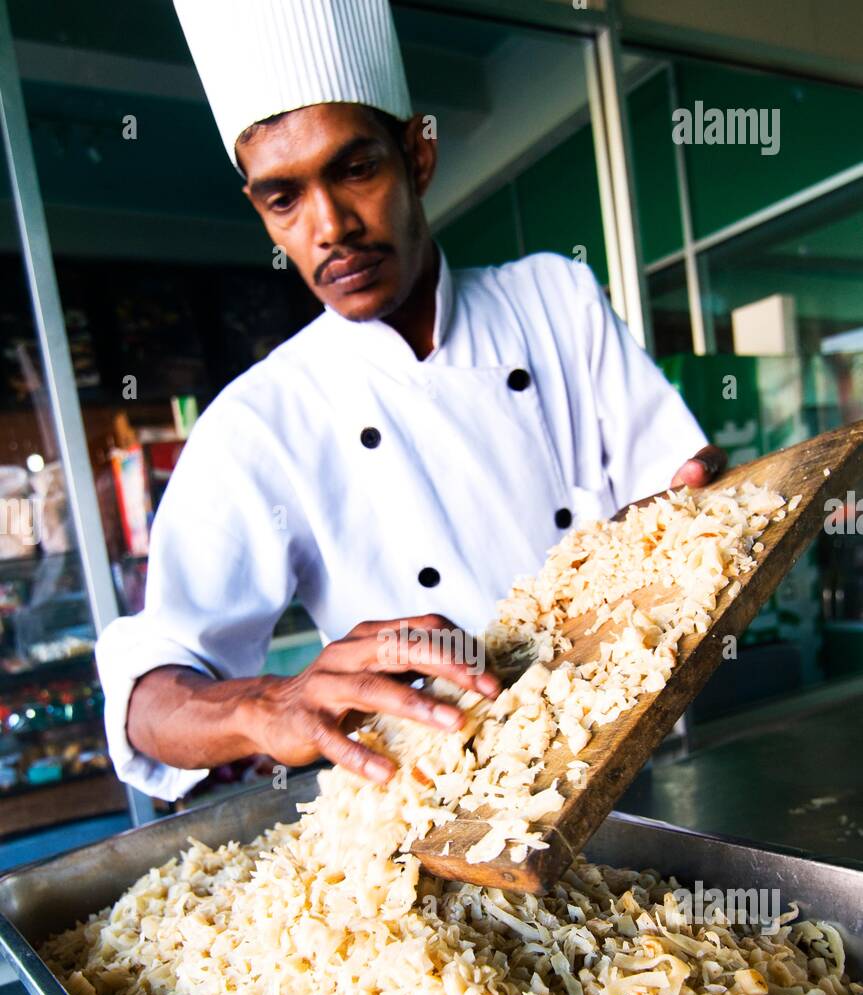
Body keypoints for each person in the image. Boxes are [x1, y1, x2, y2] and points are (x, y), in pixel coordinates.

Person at [97, 0, 722, 800]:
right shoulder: (259, 421)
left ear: (417, 157)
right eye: (284, 198)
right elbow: (149, 697)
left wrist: (705, 519)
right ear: (262, 212)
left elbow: (671, 499)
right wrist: (266, 703)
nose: (329, 227)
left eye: (355, 169)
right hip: (449, 825)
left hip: (647, 767)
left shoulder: (553, 298)